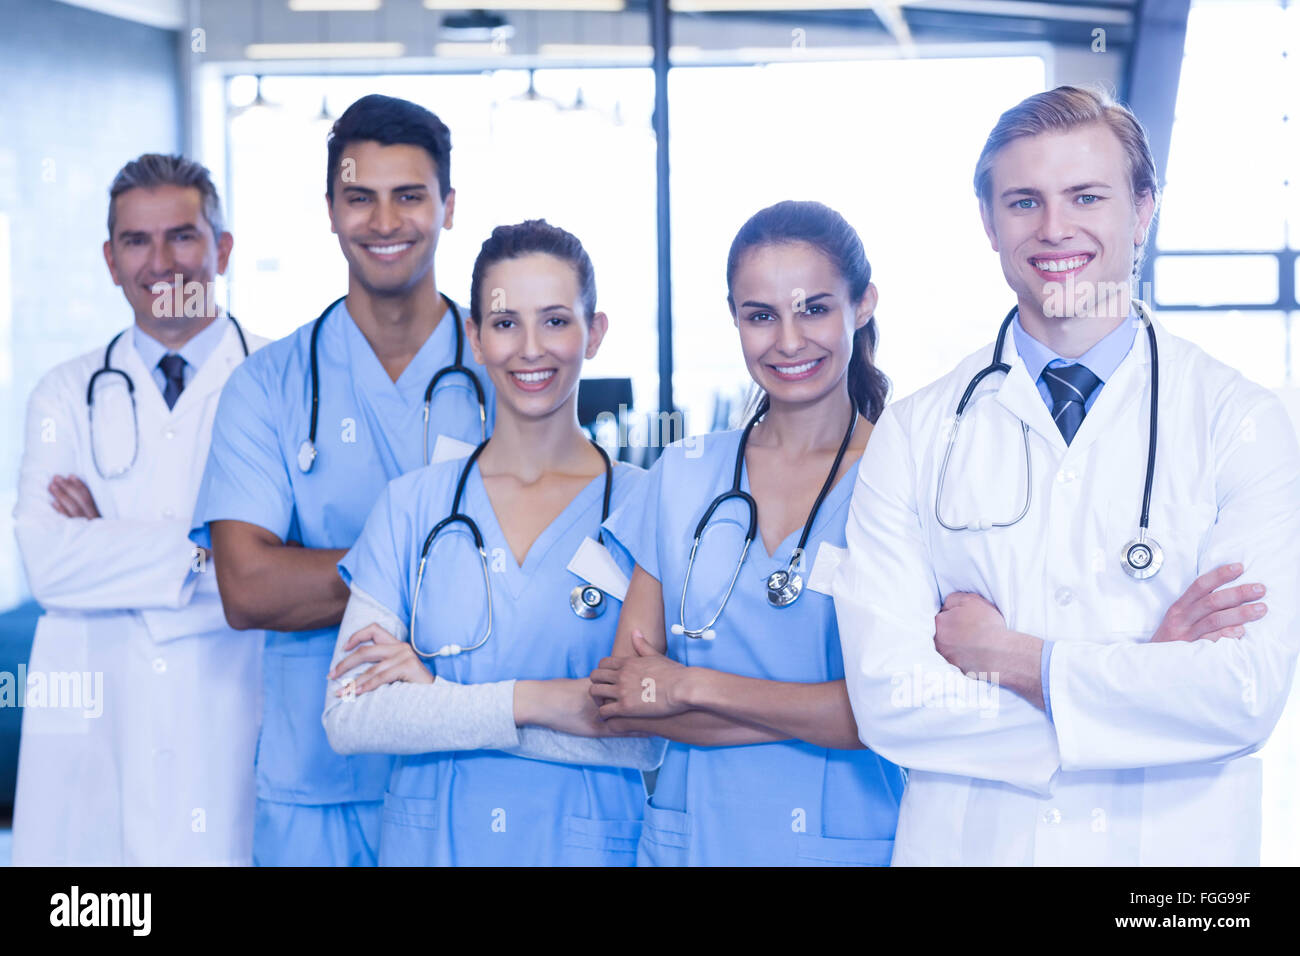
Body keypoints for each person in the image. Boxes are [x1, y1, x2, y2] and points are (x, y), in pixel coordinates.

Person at [833, 85, 1300, 866]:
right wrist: (1144, 672)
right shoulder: (915, 434)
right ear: (989, 222)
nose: (1055, 229)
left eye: (1086, 196)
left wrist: (1013, 658)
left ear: (1144, 208)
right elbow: (889, 700)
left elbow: (1241, 694)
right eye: (1024, 202)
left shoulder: (1239, 420)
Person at [191, 94, 494, 866]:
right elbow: (249, 589)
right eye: (360, 197)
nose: (385, 222)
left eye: (410, 196)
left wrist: (337, 571)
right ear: (330, 209)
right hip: (314, 787)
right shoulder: (269, 384)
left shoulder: (506, 371)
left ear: (448, 207)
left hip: (465, 774)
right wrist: (444, 568)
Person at [322, 220, 658, 866]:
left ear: (595, 334)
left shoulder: (646, 508)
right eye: (505, 324)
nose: (531, 349)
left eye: (556, 321)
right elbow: (349, 717)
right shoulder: (413, 505)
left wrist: (438, 700)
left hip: (586, 848)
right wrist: (539, 701)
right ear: (475, 338)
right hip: (432, 847)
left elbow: (644, 742)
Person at [587, 200, 905, 866]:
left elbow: (895, 710)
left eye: (815, 308)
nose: (788, 341)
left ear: (864, 303)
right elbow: (629, 701)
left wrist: (694, 686)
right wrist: (823, 712)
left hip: (852, 842)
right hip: (691, 839)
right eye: (761, 316)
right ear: (736, 319)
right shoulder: (683, 474)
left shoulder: (905, 479)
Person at [11, 154, 265, 865]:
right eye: (135, 241)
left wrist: (111, 546)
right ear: (109, 259)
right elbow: (50, 567)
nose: (161, 263)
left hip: (237, 715)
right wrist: (210, 553)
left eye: (182, 236)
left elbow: (291, 578)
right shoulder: (64, 394)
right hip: (100, 728)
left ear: (222, 248)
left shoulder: (279, 383)